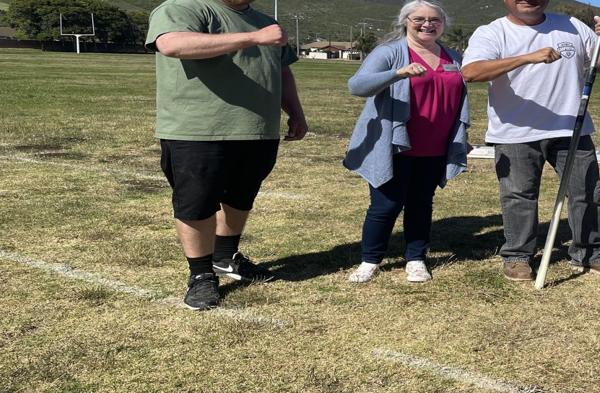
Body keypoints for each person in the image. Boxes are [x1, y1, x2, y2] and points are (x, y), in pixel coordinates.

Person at [146, 0, 307, 311]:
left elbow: (282, 70)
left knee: (241, 197)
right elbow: (172, 44)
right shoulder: (183, 7)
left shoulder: (263, 21)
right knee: (196, 202)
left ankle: (225, 256)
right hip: (198, 128)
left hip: (257, 129)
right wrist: (253, 38)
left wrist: (296, 112)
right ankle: (201, 274)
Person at [461, 0, 600, 283]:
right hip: (516, 131)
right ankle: (518, 256)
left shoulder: (572, 26)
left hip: (571, 128)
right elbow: (471, 72)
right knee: (519, 195)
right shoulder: (492, 32)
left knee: (586, 192)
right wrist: (525, 58)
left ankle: (591, 253)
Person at [342, 1, 471, 284]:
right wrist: (396, 74)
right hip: (395, 144)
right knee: (385, 205)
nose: (427, 24)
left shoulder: (454, 57)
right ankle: (370, 259)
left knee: (421, 203)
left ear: (443, 23)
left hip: (435, 145)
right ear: (406, 21)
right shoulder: (390, 53)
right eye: (420, 19)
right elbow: (357, 86)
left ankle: (416, 258)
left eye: (435, 19)